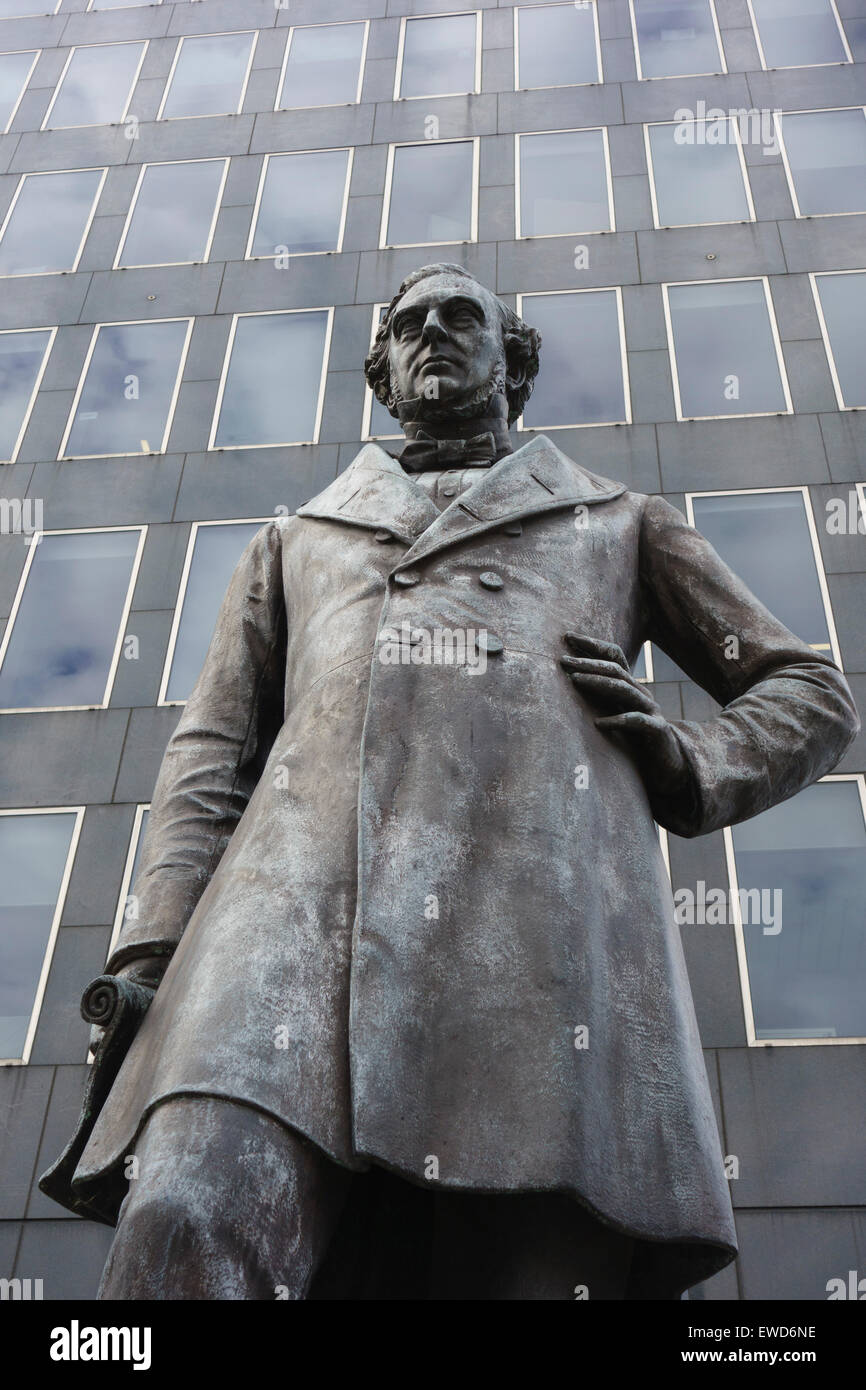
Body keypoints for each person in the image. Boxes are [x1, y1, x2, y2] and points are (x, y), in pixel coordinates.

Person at [54, 264, 858, 1300]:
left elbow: (807, 689)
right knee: (187, 1213)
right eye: (409, 324)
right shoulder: (294, 540)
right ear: (381, 372)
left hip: (529, 945)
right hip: (284, 930)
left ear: (510, 361)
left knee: (519, 1271)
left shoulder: (615, 522)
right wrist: (154, 956)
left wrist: (689, 756)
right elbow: (208, 757)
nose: (433, 332)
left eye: (461, 315)